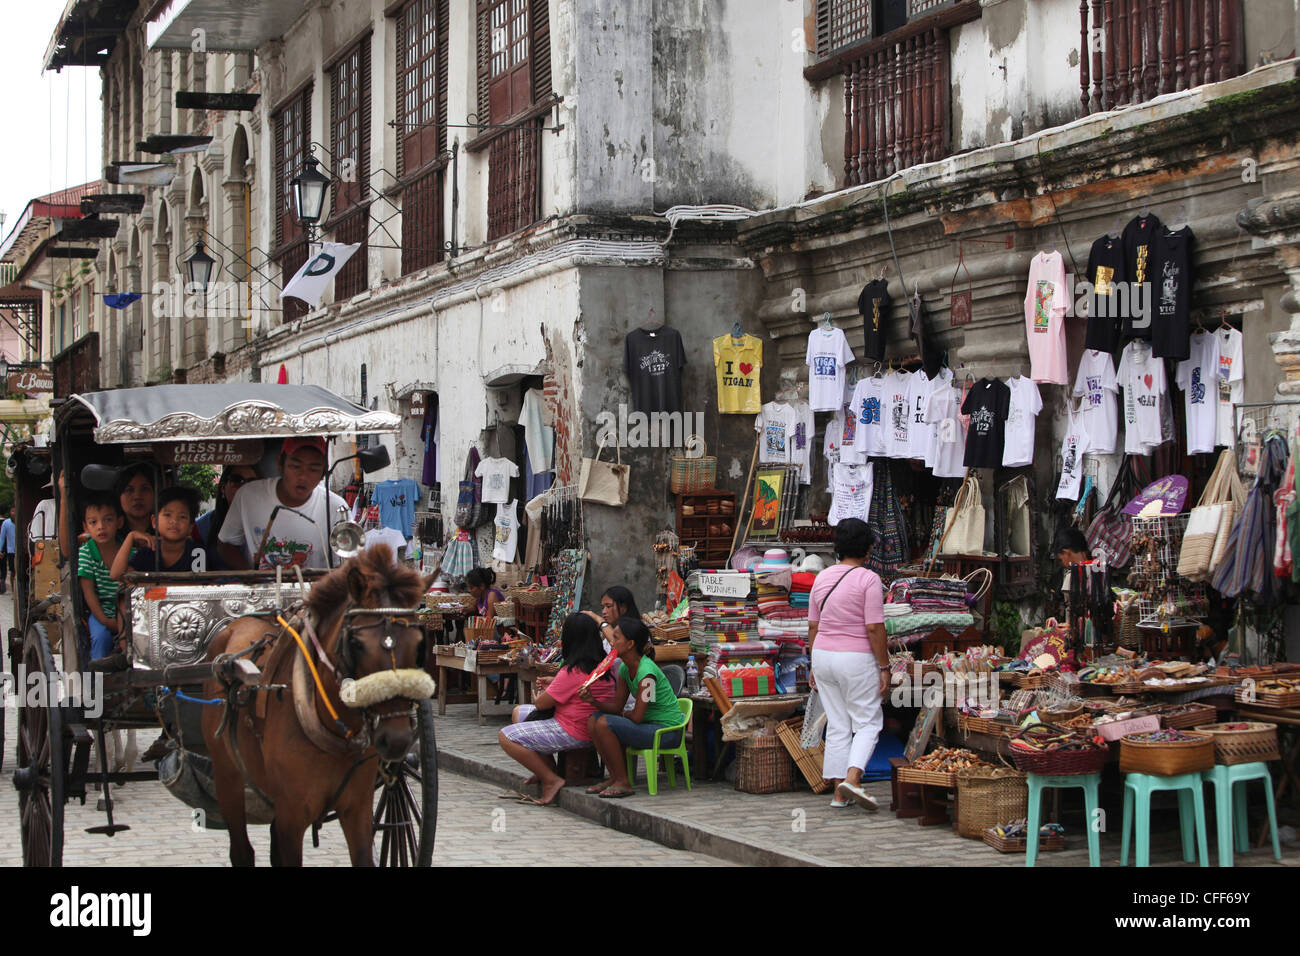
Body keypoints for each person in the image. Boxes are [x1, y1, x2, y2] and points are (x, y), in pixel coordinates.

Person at [807, 517, 888, 812]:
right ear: (868, 549)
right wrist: (885, 666)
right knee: (868, 722)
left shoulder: (821, 578)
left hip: (823, 655)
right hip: (854, 658)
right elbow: (874, 628)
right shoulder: (869, 580)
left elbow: (813, 626)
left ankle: (839, 795)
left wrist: (813, 664)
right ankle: (853, 780)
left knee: (839, 724)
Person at [498, 614, 616, 805]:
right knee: (519, 712)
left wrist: (539, 697)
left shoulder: (573, 670)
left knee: (506, 736)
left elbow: (543, 704)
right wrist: (554, 684)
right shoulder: (602, 665)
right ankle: (547, 770)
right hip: (587, 724)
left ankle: (550, 779)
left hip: (575, 729)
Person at [580, 616, 682, 799]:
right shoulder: (625, 669)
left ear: (630, 644)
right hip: (647, 726)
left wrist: (623, 714)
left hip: (665, 732)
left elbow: (636, 717)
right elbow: (617, 706)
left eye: (617, 638)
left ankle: (623, 781)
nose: (612, 642)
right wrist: (593, 701)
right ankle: (614, 777)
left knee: (604, 723)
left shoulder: (647, 674)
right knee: (593, 720)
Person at [217, 436, 347, 570]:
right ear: (280, 464)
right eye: (296, 466)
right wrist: (252, 576)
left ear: (323, 474)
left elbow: (345, 562)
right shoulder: (247, 496)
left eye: (313, 469)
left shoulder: (335, 507)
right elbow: (226, 545)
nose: (303, 476)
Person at [111, 486, 207, 578]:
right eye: (168, 515)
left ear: (191, 526)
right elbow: (117, 575)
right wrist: (131, 537)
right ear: (154, 522)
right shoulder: (147, 553)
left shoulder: (198, 552)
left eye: (182, 517)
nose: (174, 521)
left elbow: (199, 585)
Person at [76, 493, 125, 662]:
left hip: (128, 612)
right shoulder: (86, 552)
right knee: (100, 639)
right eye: (93, 522)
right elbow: (88, 592)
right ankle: (98, 682)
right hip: (101, 611)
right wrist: (104, 620)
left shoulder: (128, 550)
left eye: (107, 520)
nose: (101, 527)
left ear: (119, 522)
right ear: (86, 527)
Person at [196, 465, 259, 570]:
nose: (244, 487)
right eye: (237, 481)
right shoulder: (201, 527)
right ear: (223, 488)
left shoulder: (271, 521)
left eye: (252, 482)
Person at [0, 504, 14, 594]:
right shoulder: (6, 522)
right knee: (4, 567)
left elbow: (2, 537)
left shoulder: (7, 523)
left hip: (5, 549)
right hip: (7, 549)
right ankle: (2, 583)